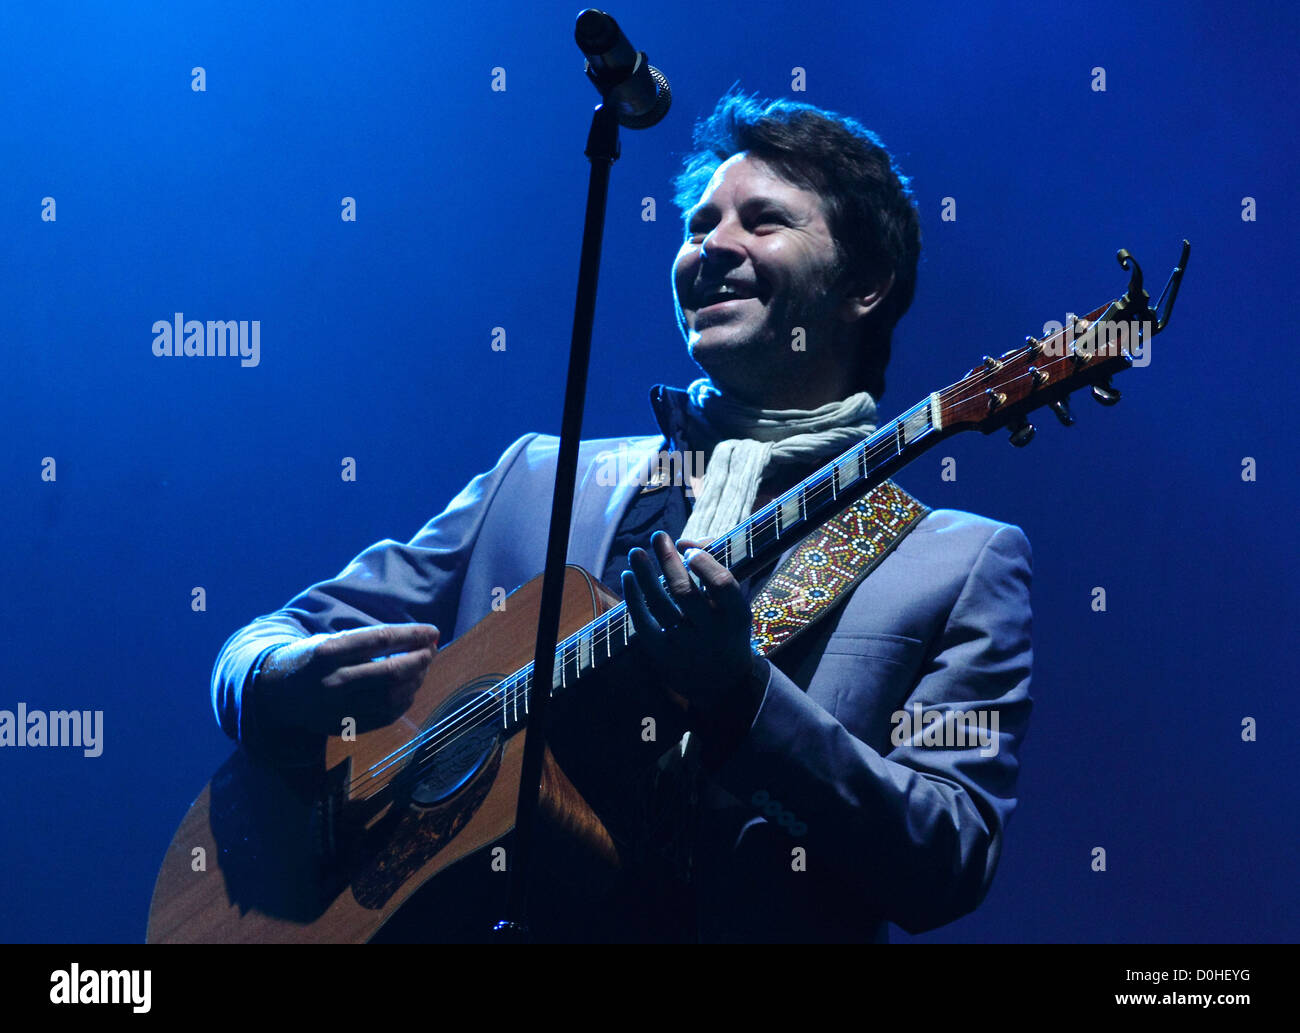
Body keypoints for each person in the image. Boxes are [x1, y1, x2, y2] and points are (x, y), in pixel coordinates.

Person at [211, 88, 1033, 943]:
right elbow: (268, 638)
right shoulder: (535, 478)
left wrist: (739, 694)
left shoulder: (954, 563)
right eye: (696, 224)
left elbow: (948, 855)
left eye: (763, 221)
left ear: (865, 285)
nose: (711, 247)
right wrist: (269, 683)